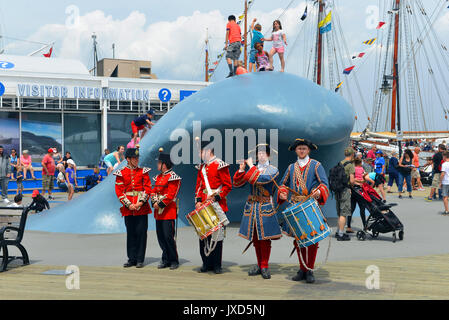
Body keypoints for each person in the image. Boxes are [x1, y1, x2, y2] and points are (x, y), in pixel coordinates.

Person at [277, 139, 329, 283]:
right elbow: (283, 184)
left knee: (312, 239)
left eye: (304, 148)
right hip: (295, 206)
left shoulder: (316, 165)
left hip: (310, 206)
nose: (301, 150)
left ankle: (310, 269)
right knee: (299, 239)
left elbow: (324, 184)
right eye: (299, 148)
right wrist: (282, 192)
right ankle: (302, 269)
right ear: (296, 150)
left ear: (308, 150)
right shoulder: (290, 167)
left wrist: (319, 192)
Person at [233, 144, 282, 280]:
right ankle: (260, 265)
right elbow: (237, 184)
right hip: (252, 207)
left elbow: (260, 179)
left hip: (265, 206)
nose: (260, 155)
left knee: (264, 238)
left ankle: (265, 265)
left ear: (268, 155)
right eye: (258, 153)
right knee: (255, 237)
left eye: (263, 153)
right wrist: (241, 170)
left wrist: (250, 167)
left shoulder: (273, 170)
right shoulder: (253, 170)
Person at [195, 141, 232, 274]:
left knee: (217, 236)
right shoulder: (202, 168)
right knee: (204, 235)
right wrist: (198, 200)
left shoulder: (220, 165)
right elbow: (199, 186)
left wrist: (216, 197)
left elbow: (228, 186)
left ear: (208, 151)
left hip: (217, 205)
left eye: (201, 151)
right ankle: (206, 263)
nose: (199, 154)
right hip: (204, 205)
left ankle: (217, 264)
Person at [114, 148, 152, 268]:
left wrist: (140, 203)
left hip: (142, 208)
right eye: (134, 158)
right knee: (130, 234)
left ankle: (140, 259)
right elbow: (119, 192)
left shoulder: (143, 172)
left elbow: (148, 189)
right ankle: (131, 258)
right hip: (128, 209)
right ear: (128, 159)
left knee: (141, 233)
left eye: (137, 158)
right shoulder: (121, 173)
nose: (137, 160)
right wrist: (129, 205)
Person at [151, 148, 182, 271]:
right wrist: (154, 202)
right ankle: (165, 259)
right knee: (161, 237)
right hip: (158, 212)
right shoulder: (158, 177)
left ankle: (173, 260)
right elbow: (153, 191)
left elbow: (171, 195)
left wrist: (160, 204)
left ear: (164, 164)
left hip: (168, 212)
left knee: (168, 237)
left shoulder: (173, 177)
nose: (157, 165)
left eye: (159, 162)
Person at [334, 147, 355, 241]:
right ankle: (341, 234)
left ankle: (338, 231)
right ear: (352, 155)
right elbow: (352, 180)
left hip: (337, 190)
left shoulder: (339, 163)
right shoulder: (350, 165)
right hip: (344, 191)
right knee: (344, 213)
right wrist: (351, 186)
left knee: (339, 213)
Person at [348, 158, 367, 233]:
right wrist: (361, 181)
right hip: (360, 190)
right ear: (360, 163)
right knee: (362, 209)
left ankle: (348, 226)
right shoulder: (362, 169)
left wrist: (355, 180)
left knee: (351, 209)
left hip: (353, 190)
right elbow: (364, 179)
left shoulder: (353, 169)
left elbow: (351, 179)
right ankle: (365, 226)